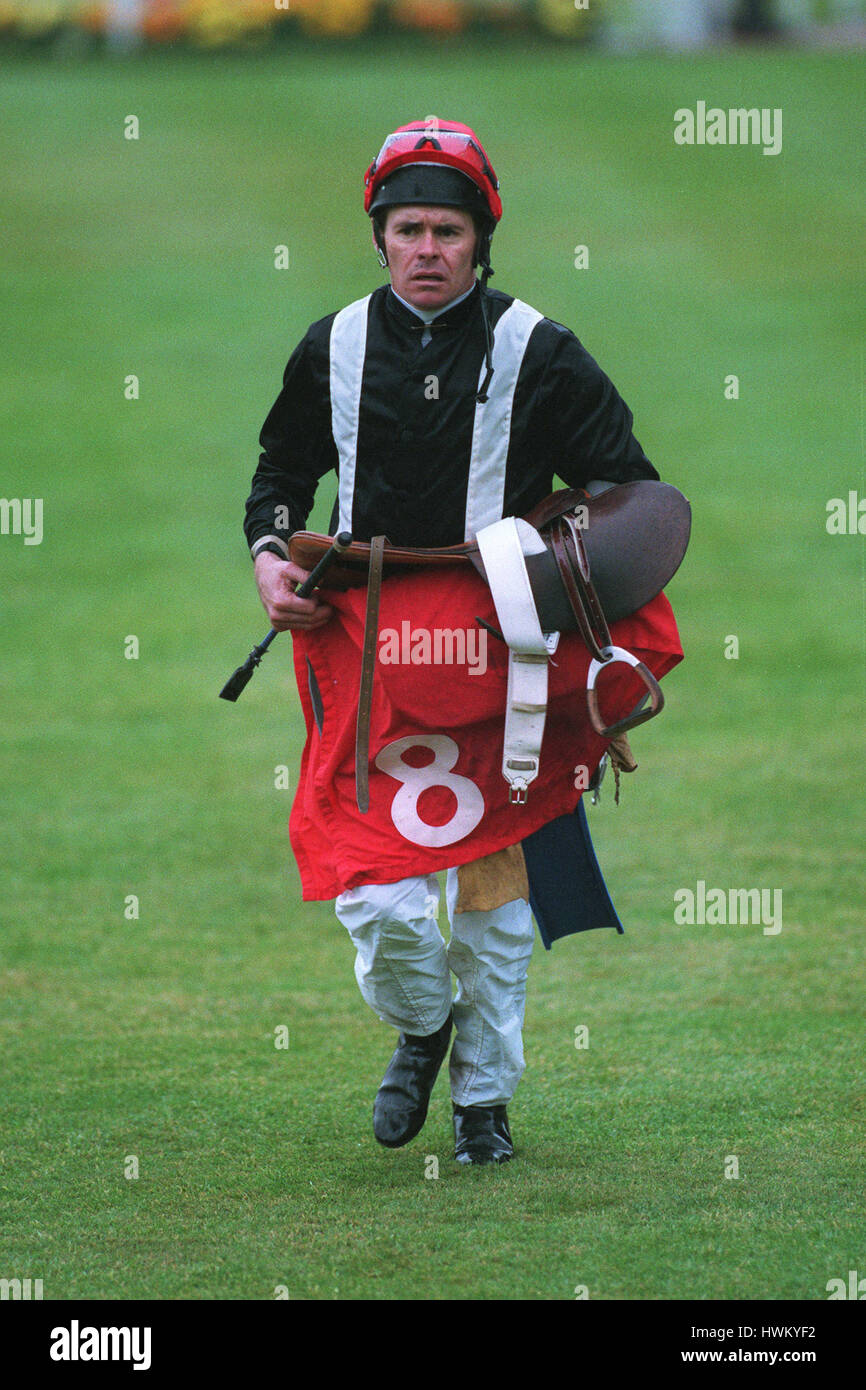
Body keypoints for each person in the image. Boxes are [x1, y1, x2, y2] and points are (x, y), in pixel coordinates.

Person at [244, 119, 660, 1165]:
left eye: (448, 230)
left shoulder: (541, 351)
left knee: (493, 907)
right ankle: (421, 1025)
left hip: (499, 649)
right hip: (365, 643)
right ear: (379, 236)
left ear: (481, 238)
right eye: (407, 229)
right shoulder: (329, 345)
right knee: (375, 894)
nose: (427, 249)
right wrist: (269, 558)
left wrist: (572, 585)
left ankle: (484, 1102)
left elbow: (628, 494)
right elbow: (279, 478)